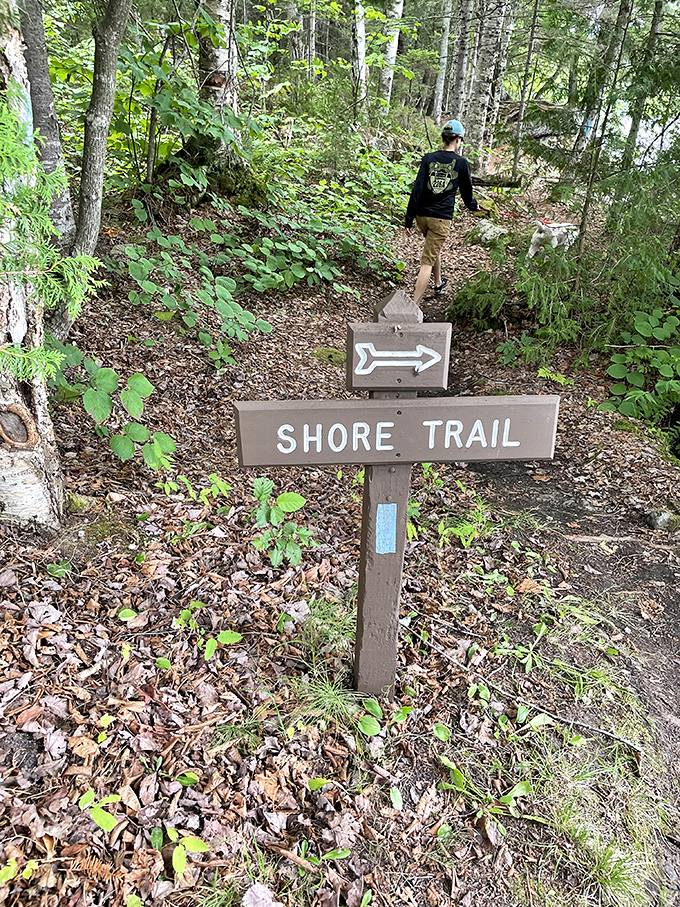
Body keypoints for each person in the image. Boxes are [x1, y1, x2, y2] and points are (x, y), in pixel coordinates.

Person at [405, 119, 478, 305]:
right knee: (426, 263)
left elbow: (417, 189)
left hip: (422, 217)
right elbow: (467, 192)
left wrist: (409, 218)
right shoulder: (461, 163)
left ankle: (438, 284)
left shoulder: (428, 158)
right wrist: (473, 206)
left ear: (444, 139)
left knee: (433, 248)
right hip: (440, 218)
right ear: (458, 140)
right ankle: (414, 306)